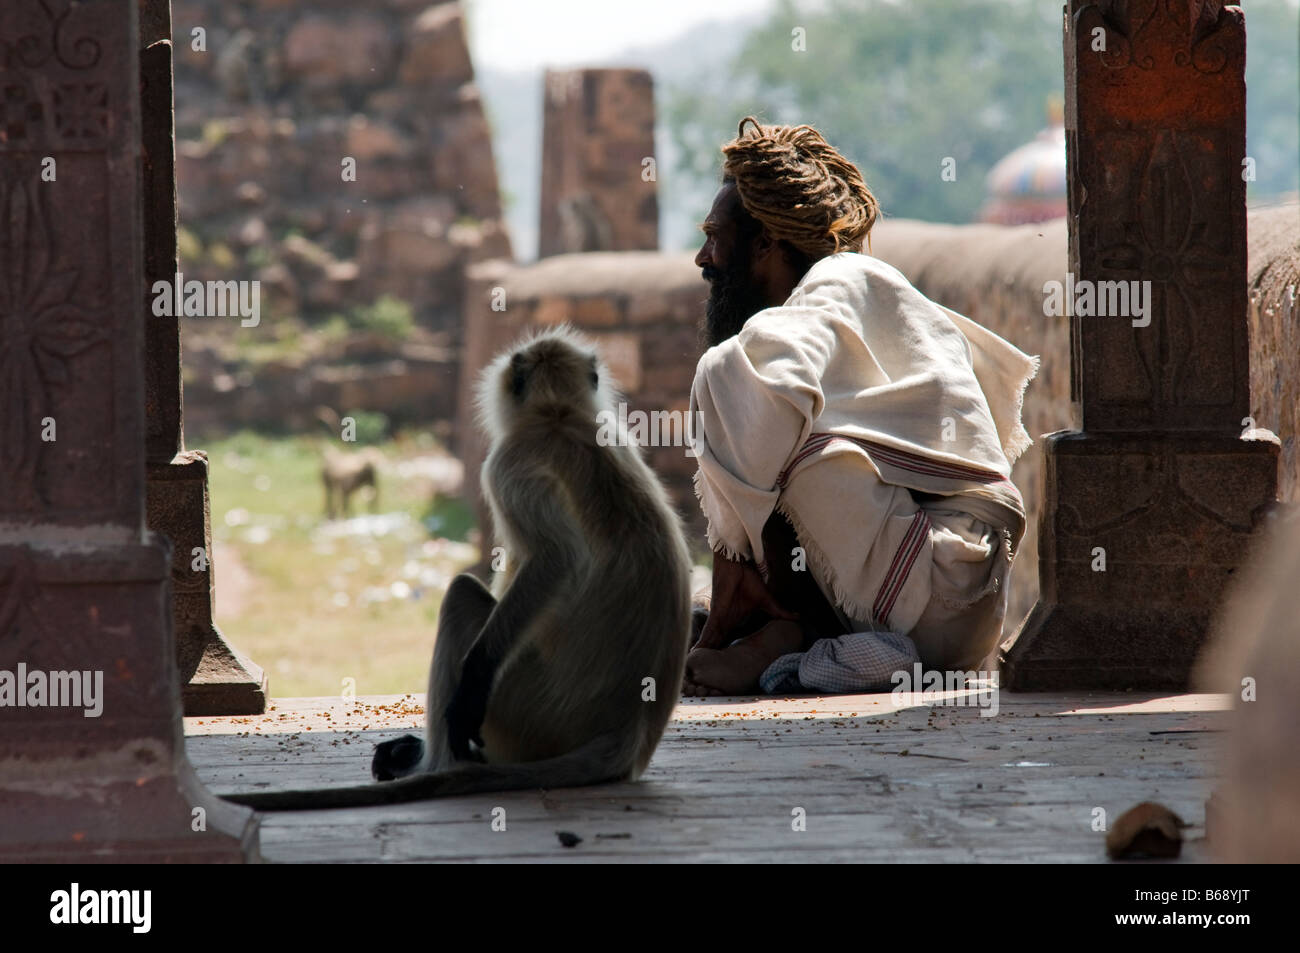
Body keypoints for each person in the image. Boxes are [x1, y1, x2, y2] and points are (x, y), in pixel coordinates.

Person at [683, 116, 1038, 697]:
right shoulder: (854, 291)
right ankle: (785, 628)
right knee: (791, 424)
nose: (703, 258)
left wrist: (721, 607)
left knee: (733, 381)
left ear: (767, 244)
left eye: (715, 237)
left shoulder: (838, 284)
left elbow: (747, 379)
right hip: (956, 608)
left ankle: (780, 628)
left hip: (934, 598)